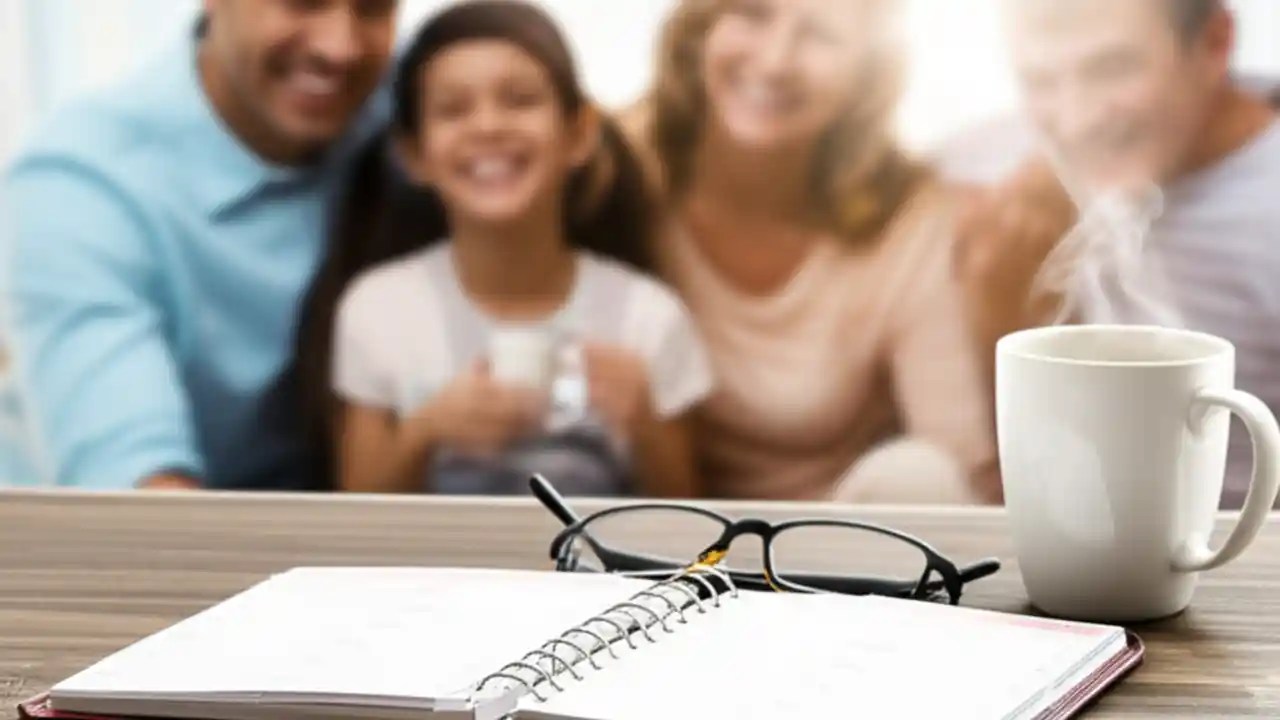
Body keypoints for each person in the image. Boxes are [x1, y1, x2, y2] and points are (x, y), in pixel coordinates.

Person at [294, 0, 713, 497]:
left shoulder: (648, 317)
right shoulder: (379, 310)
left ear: (579, 134)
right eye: (453, 109)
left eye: (519, 99)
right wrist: (426, 431)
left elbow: (687, 526)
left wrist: (642, 422)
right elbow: (357, 521)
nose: (488, 126)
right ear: (414, 155)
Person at [1, 0, 397, 490]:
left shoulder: (411, 121)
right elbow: (138, 495)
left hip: (332, 540)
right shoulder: (77, 182)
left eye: (375, 8)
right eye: (303, 2)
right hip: (135, 549)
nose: (340, 47)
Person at [624, 0, 998, 503]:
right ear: (700, 28)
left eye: (820, 35)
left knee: (920, 476)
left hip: (830, 551)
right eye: (752, 14)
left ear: (868, 72)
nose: (776, 61)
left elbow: (957, 459)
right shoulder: (616, 168)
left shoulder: (907, 217)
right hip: (646, 546)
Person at [959, 0, 1280, 507]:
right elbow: (1006, 486)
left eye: (1111, 69)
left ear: (1214, 44)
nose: (1076, 119)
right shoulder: (985, 170)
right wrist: (1003, 307)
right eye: (1040, 79)